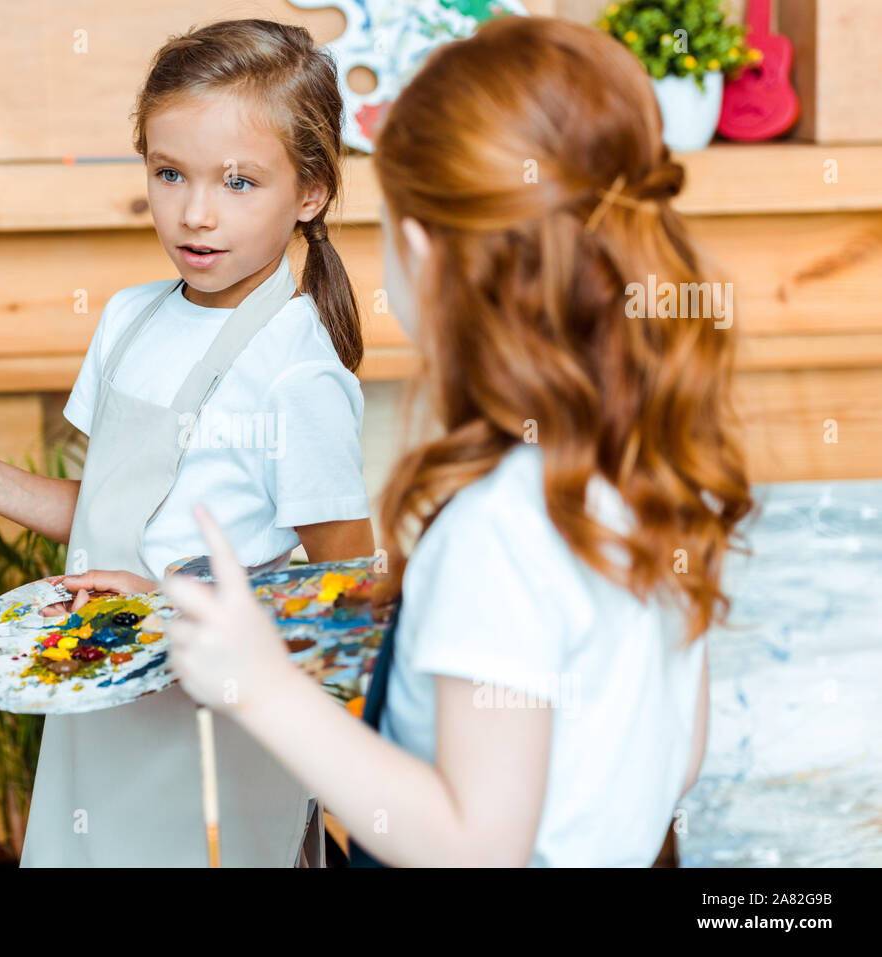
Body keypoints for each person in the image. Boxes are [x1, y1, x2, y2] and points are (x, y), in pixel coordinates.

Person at [162, 14, 756, 867]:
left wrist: (259, 686)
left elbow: (477, 847)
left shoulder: (501, 531)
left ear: (420, 250)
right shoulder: (651, 469)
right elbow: (677, 754)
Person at [0, 19, 376, 865]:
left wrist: (170, 611)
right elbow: (117, 517)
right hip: (98, 704)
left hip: (218, 729)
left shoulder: (298, 371)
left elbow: (345, 597)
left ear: (312, 192)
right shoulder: (126, 319)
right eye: (169, 172)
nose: (195, 211)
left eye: (240, 181)